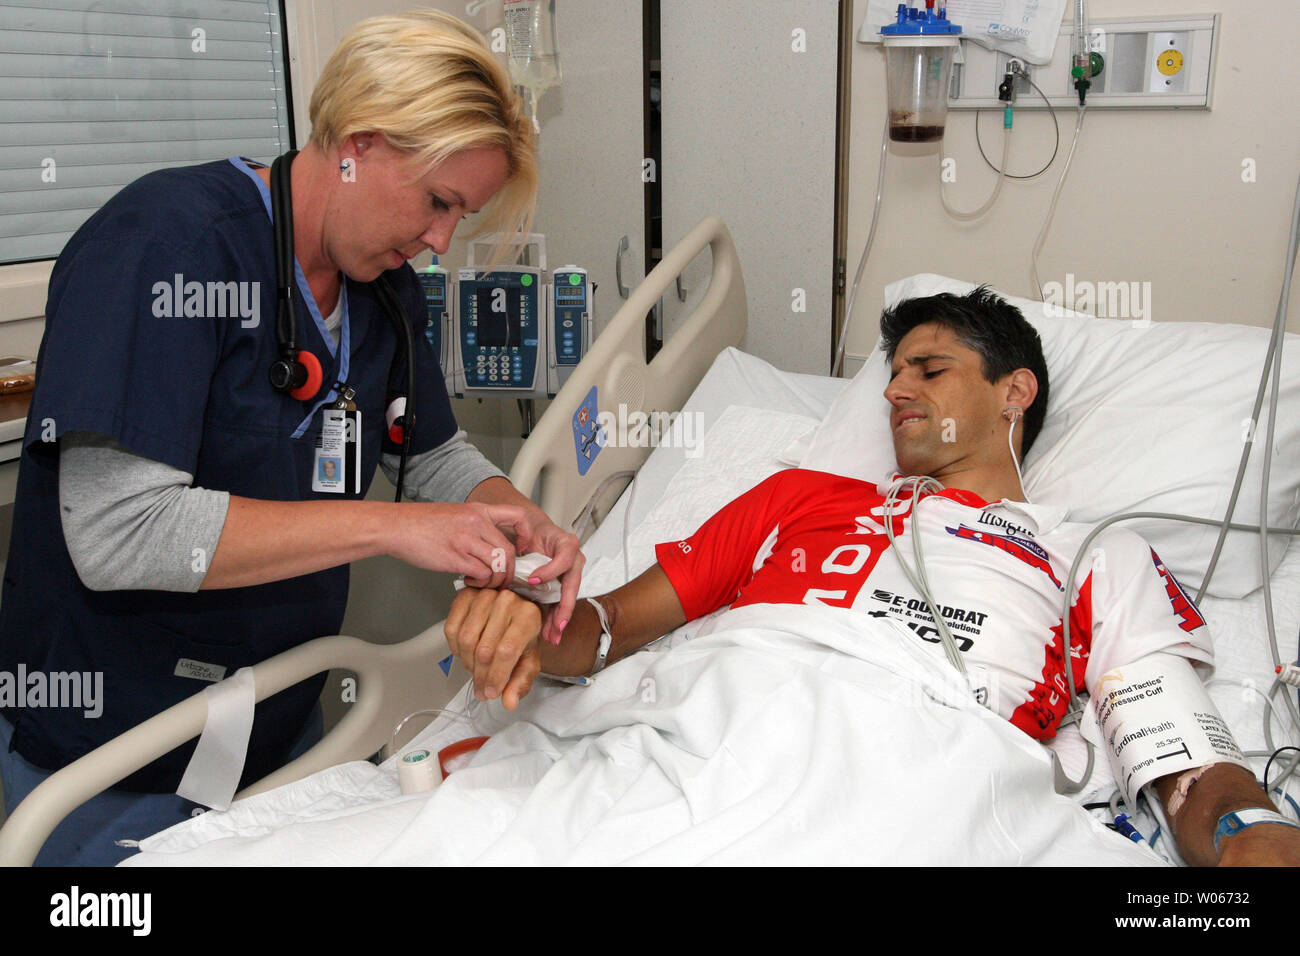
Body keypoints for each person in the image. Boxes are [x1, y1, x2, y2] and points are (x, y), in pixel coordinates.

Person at [0, 10, 582, 865]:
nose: (439, 242)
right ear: (361, 141)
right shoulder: (167, 247)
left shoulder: (382, 290)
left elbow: (430, 455)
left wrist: (509, 513)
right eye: (437, 203)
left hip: (277, 730)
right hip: (114, 747)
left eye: (461, 216)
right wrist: (394, 529)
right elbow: (117, 533)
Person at [447, 287, 1300, 867]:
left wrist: (1250, 835)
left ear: (1016, 392)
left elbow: (1183, 759)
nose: (896, 392)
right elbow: (607, 629)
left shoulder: (1090, 553)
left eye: (929, 371)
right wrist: (532, 625)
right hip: (722, 718)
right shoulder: (800, 495)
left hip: (924, 763)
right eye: (892, 375)